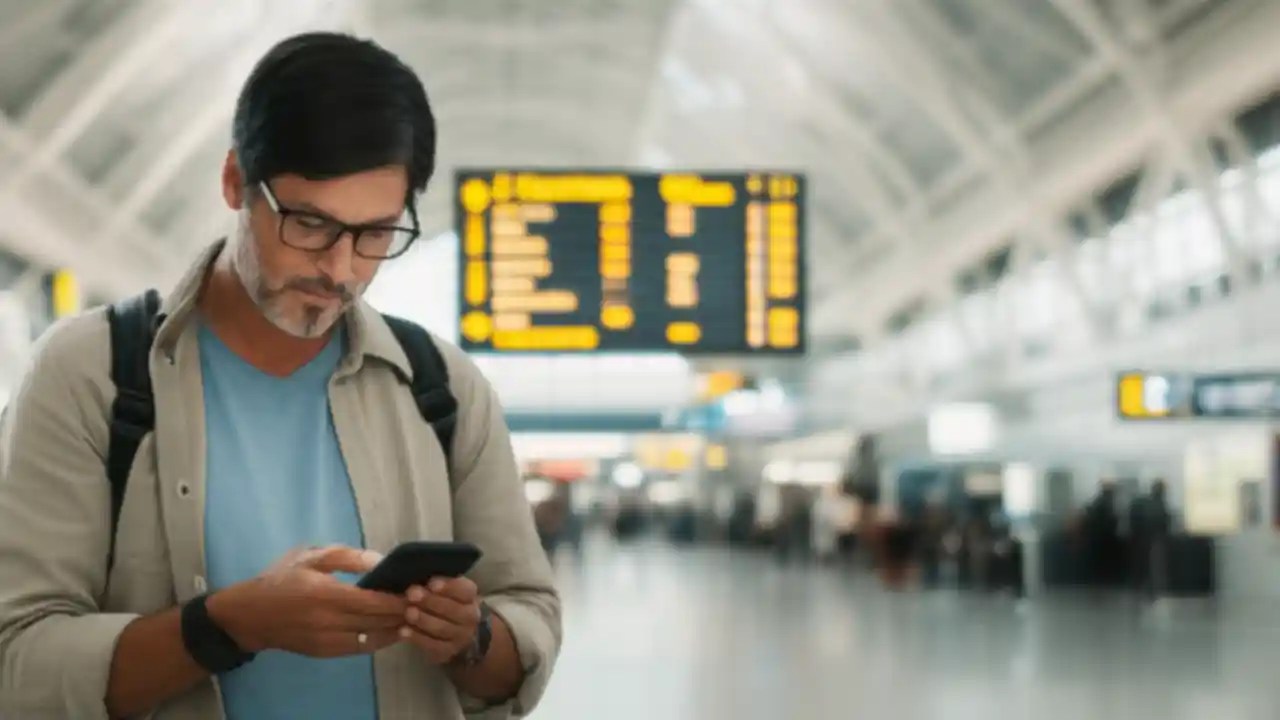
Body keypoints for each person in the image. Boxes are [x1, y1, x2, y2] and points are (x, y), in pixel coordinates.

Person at [0, 33, 560, 720]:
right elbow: (17, 661)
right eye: (310, 224)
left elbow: (527, 618)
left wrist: (468, 638)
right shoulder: (92, 375)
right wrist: (232, 624)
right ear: (235, 181)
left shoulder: (442, 389)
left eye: (376, 235)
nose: (342, 268)